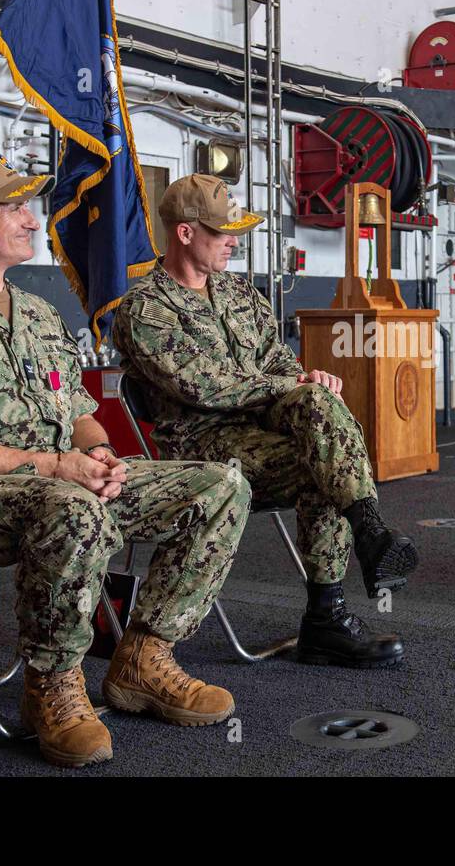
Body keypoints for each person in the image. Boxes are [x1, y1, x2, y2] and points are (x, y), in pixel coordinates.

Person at [0, 147, 253, 769]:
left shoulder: (39, 313)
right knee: (74, 509)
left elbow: (78, 408)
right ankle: (51, 685)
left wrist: (100, 454)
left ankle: (145, 654)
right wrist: (56, 468)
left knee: (220, 487)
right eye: (16, 208)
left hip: (67, 479)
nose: (33, 220)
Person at [112, 174, 416, 668]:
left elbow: (275, 361)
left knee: (319, 409)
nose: (234, 240)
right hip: (202, 446)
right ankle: (329, 612)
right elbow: (203, 386)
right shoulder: (145, 309)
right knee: (325, 465)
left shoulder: (238, 293)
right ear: (185, 233)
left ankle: (366, 533)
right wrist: (286, 386)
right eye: (222, 231)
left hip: (262, 427)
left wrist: (302, 377)